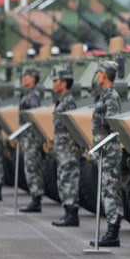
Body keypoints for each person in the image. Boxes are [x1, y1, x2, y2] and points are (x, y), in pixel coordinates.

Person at [90, 61, 124, 245]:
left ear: (104, 75)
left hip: (109, 149)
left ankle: (113, 232)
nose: (97, 76)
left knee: (110, 189)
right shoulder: (104, 95)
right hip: (103, 149)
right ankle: (111, 229)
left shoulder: (111, 96)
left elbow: (112, 124)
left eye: (98, 73)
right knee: (106, 189)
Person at [51, 67, 81, 227]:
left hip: (68, 148)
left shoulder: (68, 102)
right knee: (63, 178)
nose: (54, 84)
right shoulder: (62, 100)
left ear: (64, 84)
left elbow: (71, 127)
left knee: (69, 179)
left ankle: (72, 214)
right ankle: (67, 212)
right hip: (62, 148)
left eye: (56, 81)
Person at [17, 67, 46, 213]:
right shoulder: (27, 94)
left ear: (33, 78)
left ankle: (36, 199)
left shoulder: (33, 96)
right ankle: (35, 198)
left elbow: (33, 118)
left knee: (32, 168)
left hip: (31, 138)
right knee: (30, 168)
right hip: (27, 137)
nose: (24, 78)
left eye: (27, 76)